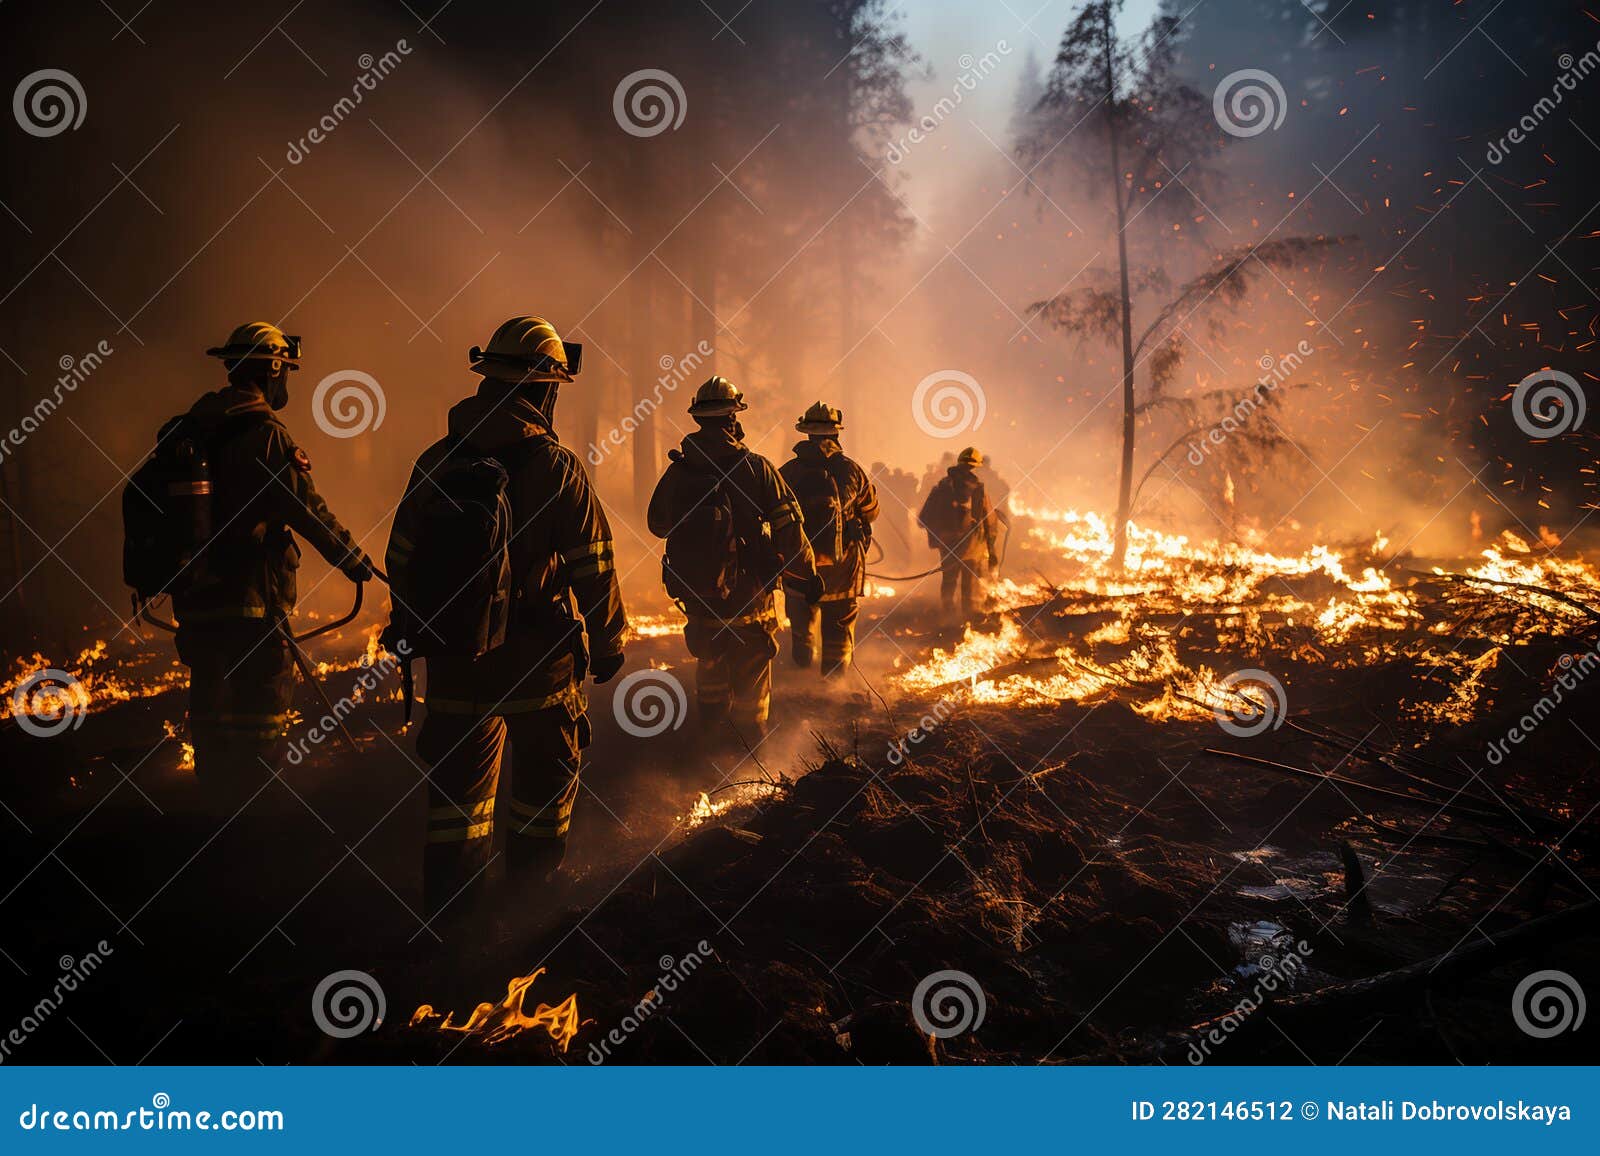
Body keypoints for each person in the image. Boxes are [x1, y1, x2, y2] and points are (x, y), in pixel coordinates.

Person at [383, 316, 626, 922]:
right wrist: (608, 639)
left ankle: (452, 923)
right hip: (538, 670)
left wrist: (418, 628)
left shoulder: (436, 461)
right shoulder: (556, 466)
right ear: (543, 388)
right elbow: (593, 563)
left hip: (455, 666)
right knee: (541, 794)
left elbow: (401, 556)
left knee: (456, 808)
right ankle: (528, 915)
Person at [128, 322, 373, 797]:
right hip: (254, 605)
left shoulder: (191, 430)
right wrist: (355, 560)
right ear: (273, 371)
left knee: (212, 706)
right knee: (261, 711)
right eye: (286, 373)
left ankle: (214, 808)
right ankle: (257, 811)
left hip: (197, 603)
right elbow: (308, 511)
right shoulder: (267, 438)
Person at [647, 377, 820, 736]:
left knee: (709, 669)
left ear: (699, 419)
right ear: (732, 420)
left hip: (700, 603)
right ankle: (748, 752)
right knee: (752, 685)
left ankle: (706, 749)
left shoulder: (678, 472)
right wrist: (807, 576)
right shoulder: (757, 468)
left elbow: (657, 525)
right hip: (750, 603)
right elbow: (790, 533)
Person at [780, 403, 878, 676]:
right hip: (842, 566)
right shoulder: (852, 471)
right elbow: (871, 511)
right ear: (836, 434)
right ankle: (834, 684)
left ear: (806, 433)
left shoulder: (787, 472)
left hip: (799, 565)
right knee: (839, 622)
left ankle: (801, 669)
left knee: (801, 619)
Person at [917, 446, 998, 620]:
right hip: (972, 547)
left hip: (948, 545)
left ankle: (948, 617)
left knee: (949, 581)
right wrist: (992, 551)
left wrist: (940, 535)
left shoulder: (941, 488)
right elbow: (990, 523)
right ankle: (966, 619)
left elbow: (922, 519)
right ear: (976, 467)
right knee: (968, 584)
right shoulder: (978, 490)